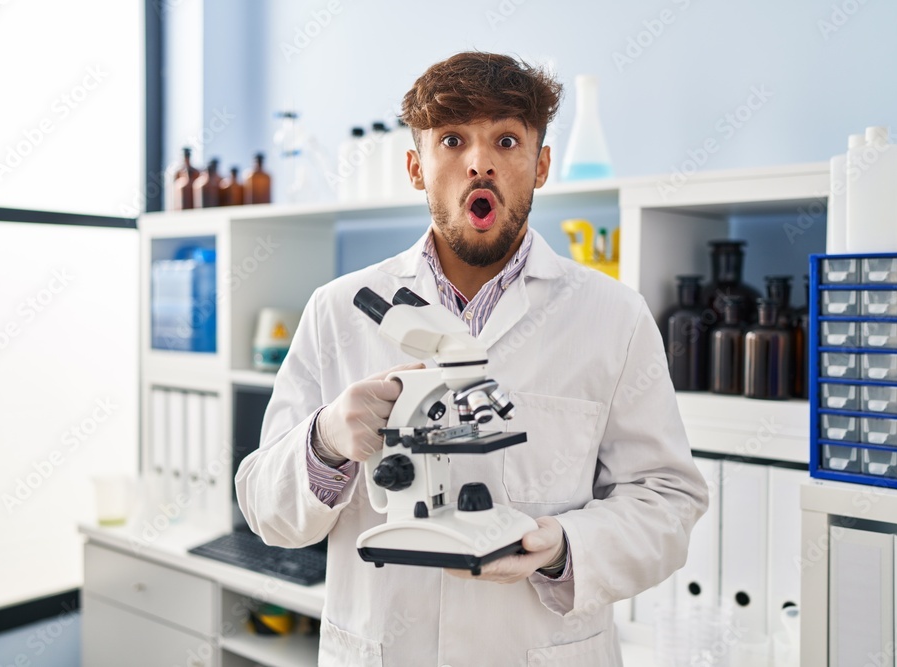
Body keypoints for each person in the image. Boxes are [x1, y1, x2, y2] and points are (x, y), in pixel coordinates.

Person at [236, 51, 708, 666]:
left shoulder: (613, 316)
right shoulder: (341, 309)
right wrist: (325, 441)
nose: (479, 162)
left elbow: (667, 499)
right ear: (415, 166)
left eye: (507, 140)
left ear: (540, 165)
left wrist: (562, 548)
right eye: (452, 140)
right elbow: (269, 513)